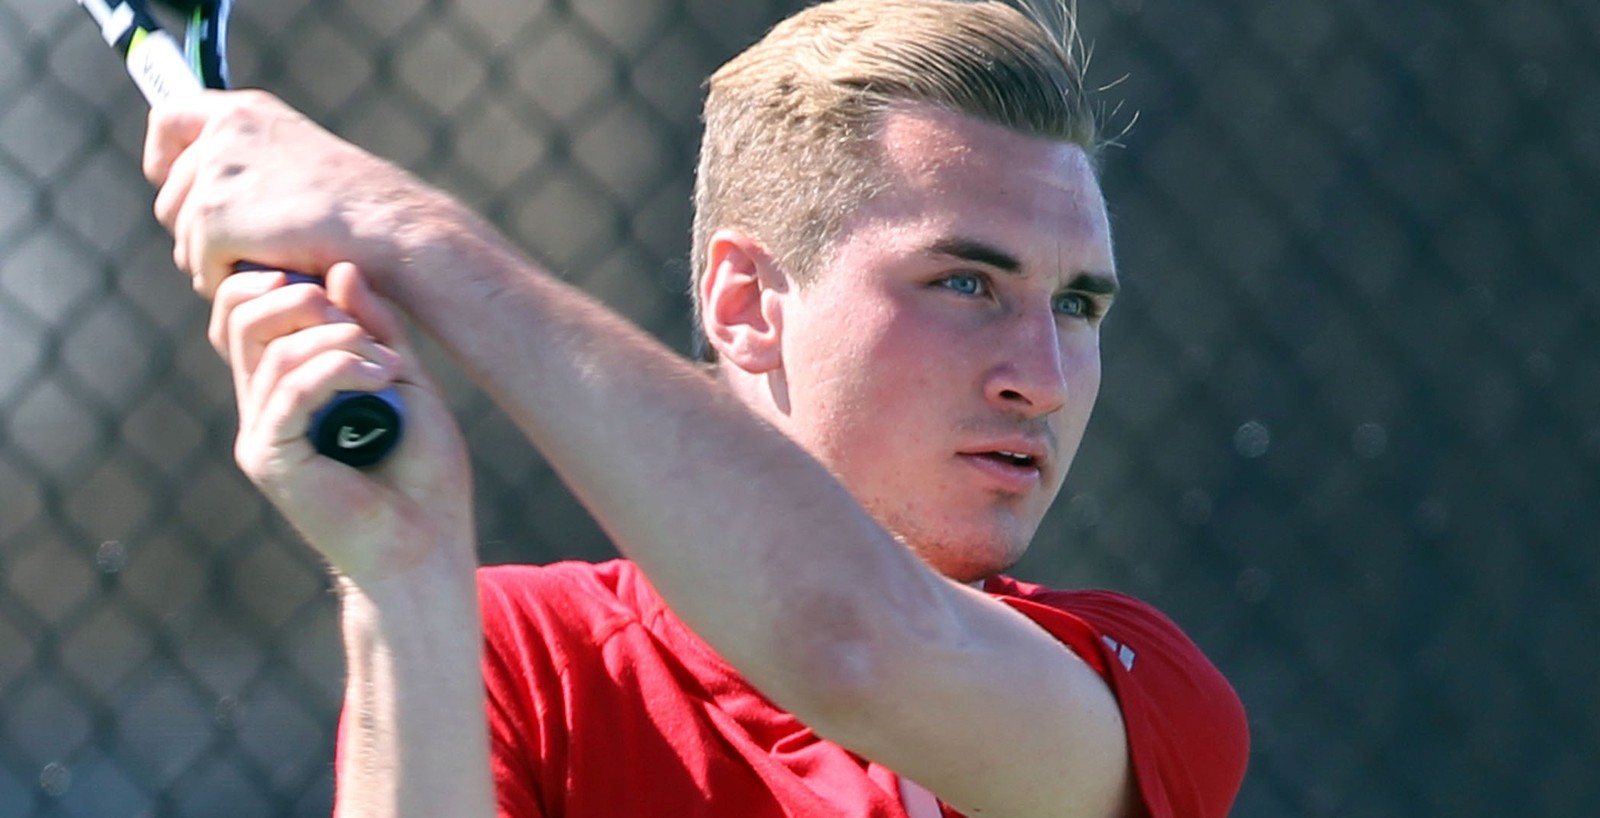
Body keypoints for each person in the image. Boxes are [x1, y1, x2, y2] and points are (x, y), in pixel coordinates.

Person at [143, 1, 1249, 816]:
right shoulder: (524, 654)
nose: (1042, 376)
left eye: (1076, 304)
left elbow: (847, 642)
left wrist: (407, 233)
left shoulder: (1138, 690)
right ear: (747, 302)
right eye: (965, 283)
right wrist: (401, 566)